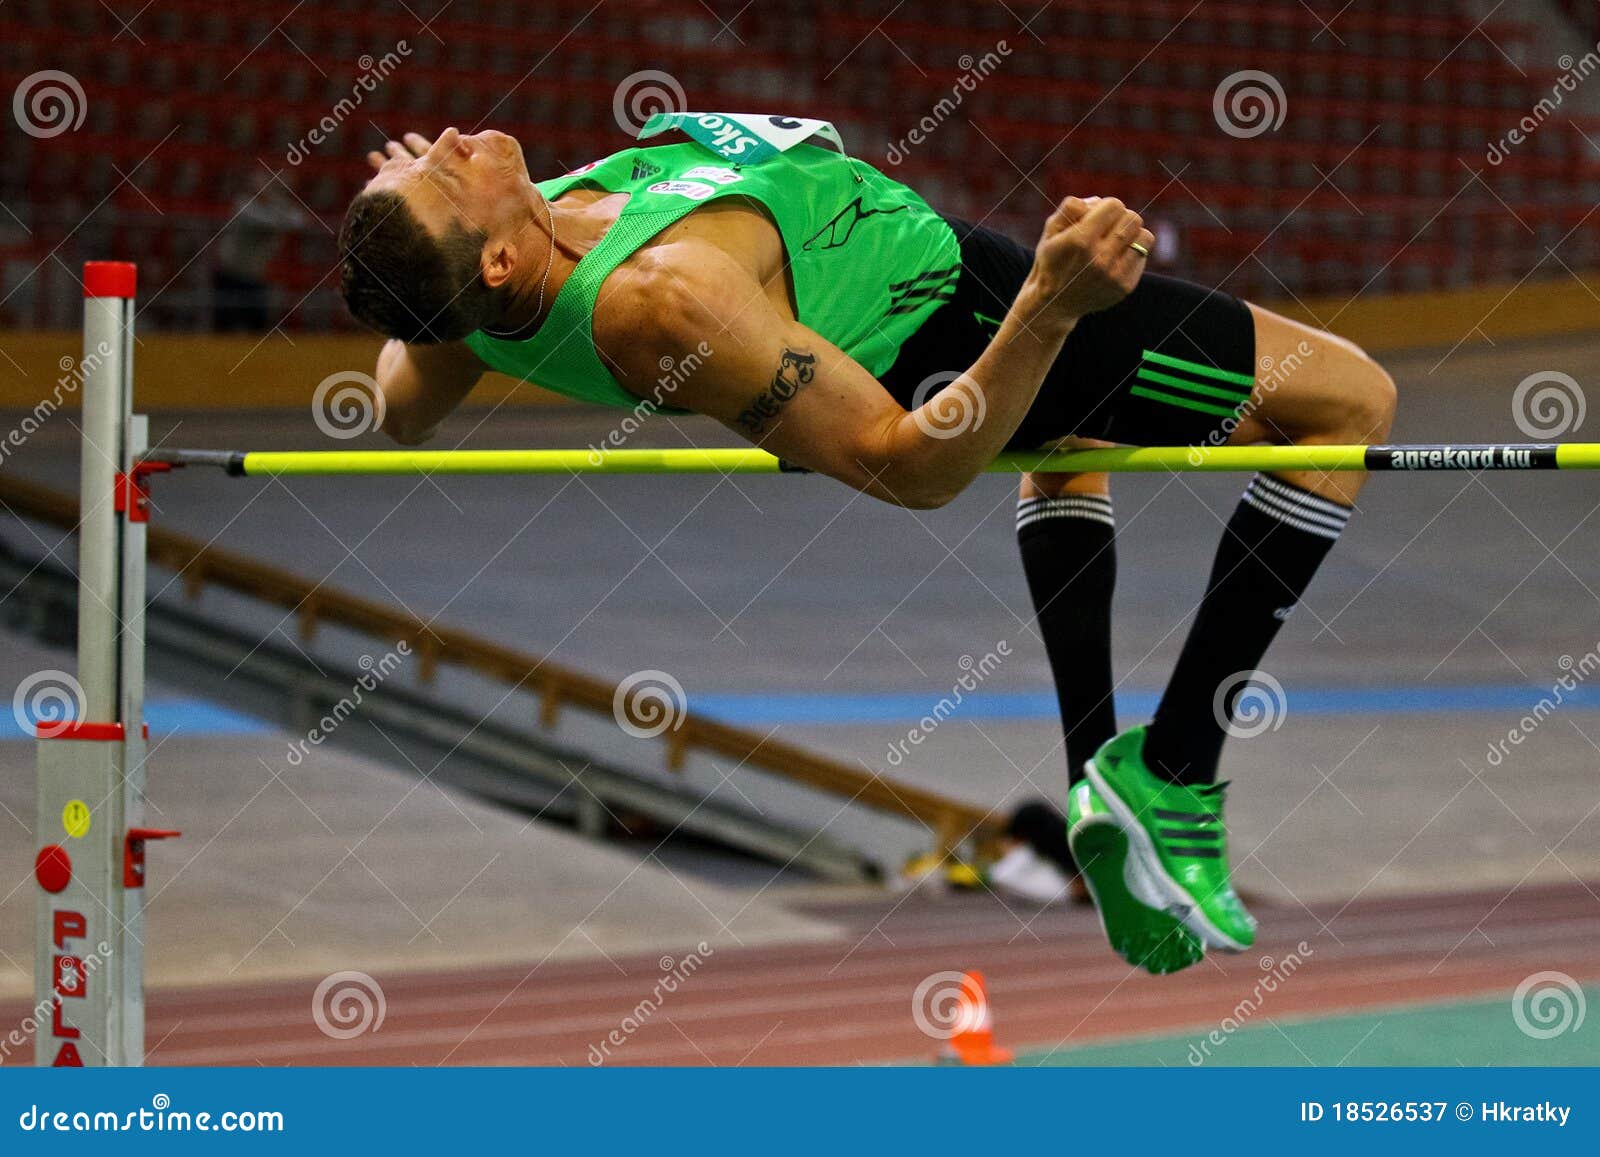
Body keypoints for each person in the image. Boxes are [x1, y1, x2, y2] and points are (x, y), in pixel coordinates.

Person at [335, 119, 1396, 975]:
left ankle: (1098, 785)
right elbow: (906, 468)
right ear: (501, 258)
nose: (448, 140)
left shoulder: (490, 284)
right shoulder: (662, 300)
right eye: (445, 173)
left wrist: (418, 239)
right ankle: (1176, 772)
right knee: (1345, 402)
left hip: (934, 284)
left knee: (1069, 441)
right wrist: (1045, 310)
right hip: (952, 319)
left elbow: (400, 408)